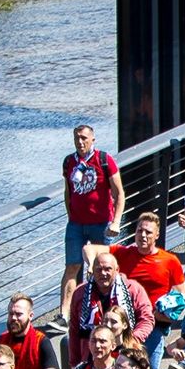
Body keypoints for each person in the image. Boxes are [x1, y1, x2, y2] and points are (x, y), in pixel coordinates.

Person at [61, 123, 126, 326]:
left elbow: (119, 193)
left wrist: (116, 221)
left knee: (104, 266)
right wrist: (70, 216)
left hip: (101, 223)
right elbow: (67, 192)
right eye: (77, 138)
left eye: (84, 138)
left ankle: (109, 308)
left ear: (92, 140)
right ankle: (64, 314)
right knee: (72, 266)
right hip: (76, 224)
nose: (80, 142)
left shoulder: (104, 160)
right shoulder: (69, 162)